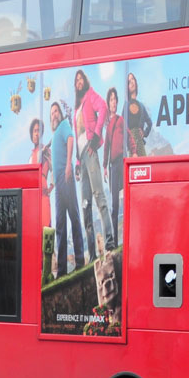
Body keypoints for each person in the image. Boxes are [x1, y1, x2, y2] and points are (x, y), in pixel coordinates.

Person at [49, 100, 89, 276]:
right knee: (60, 223)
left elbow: (71, 139)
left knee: (73, 217)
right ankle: (62, 270)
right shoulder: (55, 135)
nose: (54, 114)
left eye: (56, 111)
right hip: (58, 183)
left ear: (60, 113)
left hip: (66, 178)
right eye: (52, 113)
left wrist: (67, 166)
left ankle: (79, 261)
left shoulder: (64, 125)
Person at [72, 70, 108, 254]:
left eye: (81, 79)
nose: (79, 82)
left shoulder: (91, 95)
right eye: (76, 80)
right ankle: (93, 254)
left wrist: (96, 135)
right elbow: (77, 136)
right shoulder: (76, 108)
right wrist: (77, 164)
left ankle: (109, 244)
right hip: (81, 157)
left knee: (99, 196)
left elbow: (103, 107)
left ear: (85, 81)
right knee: (85, 205)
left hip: (90, 150)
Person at [103, 86, 126, 249]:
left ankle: (127, 237)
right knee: (114, 206)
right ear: (108, 103)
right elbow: (106, 148)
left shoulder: (121, 120)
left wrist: (134, 152)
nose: (113, 102)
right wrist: (104, 166)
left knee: (125, 200)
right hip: (112, 168)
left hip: (121, 163)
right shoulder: (108, 126)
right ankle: (115, 242)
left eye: (115, 100)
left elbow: (128, 136)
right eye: (111, 100)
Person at [125, 71, 153, 157]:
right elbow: (122, 126)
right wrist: (130, 145)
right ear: (127, 87)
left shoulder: (141, 106)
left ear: (136, 82)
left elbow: (150, 123)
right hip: (131, 144)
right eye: (129, 81)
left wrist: (144, 133)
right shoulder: (126, 105)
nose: (132, 82)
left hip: (140, 143)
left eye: (133, 79)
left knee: (143, 163)